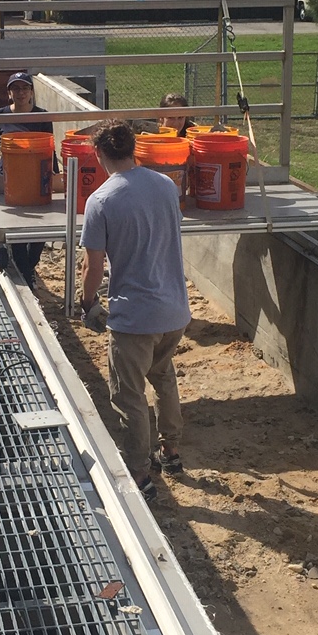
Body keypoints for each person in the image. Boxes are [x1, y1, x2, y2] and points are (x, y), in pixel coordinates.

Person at [78, 119, 190, 497]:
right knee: (163, 376)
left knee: (128, 396)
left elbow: (93, 266)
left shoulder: (101, 201)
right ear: (133, 149)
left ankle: (141, 474)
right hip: (174, 309)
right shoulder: (164, 185)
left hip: (134, 318)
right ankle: (171, 449)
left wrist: (87, 302)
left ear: (98, 155)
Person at [0, 70, 59, 283]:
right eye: (15, 88)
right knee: (18, 227)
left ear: (31, 92)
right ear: (9, 94)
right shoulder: (1, 114)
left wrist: (56, 176)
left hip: (37, 176)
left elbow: (50, 149)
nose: (20, 92)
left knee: (41, 229)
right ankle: (25, 272)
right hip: (11, 177)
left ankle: (29, 266)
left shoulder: (42, 116)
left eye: (24, 88)